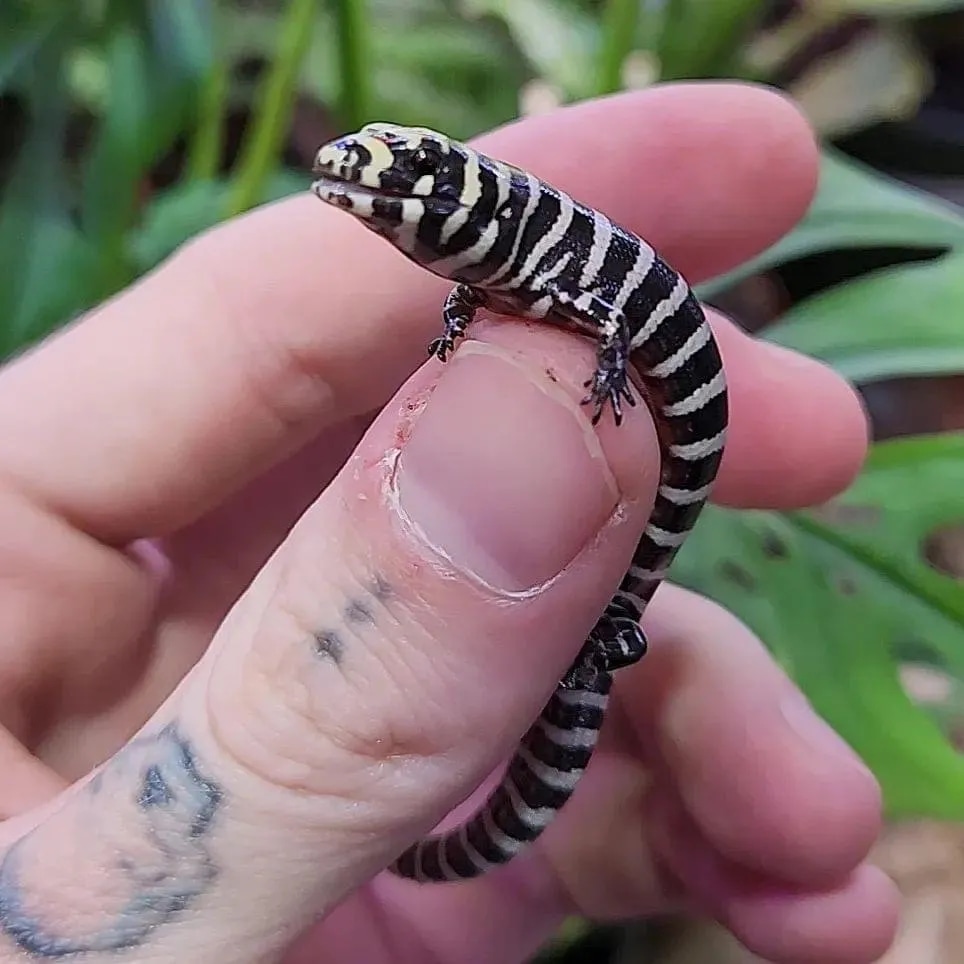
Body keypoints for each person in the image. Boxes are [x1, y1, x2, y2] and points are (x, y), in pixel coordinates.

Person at [0, 82, 898, 963]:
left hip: (683, 429)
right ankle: (486, 798)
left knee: (613, 616)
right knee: (599, 646)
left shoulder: (536, 259)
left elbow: (595, 316)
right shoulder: (493, 263)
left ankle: (549, 713)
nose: (375, 193)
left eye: (409, 177)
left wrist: (602, 374)